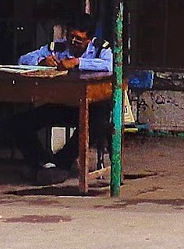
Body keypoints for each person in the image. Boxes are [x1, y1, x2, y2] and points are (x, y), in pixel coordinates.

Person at [9, 15, 113, 186]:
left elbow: (109, 65)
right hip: (65, 104)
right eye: (71, 36)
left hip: (93, 106)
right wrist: (41, 61)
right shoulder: (57, 46)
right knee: (20, 122)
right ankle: (42, 163)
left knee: (94, 124)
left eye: (79, 39)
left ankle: (62, 163)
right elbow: (23, 60)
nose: (73, 41)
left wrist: (77, 62)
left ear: (89, 39)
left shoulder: (101, 48)